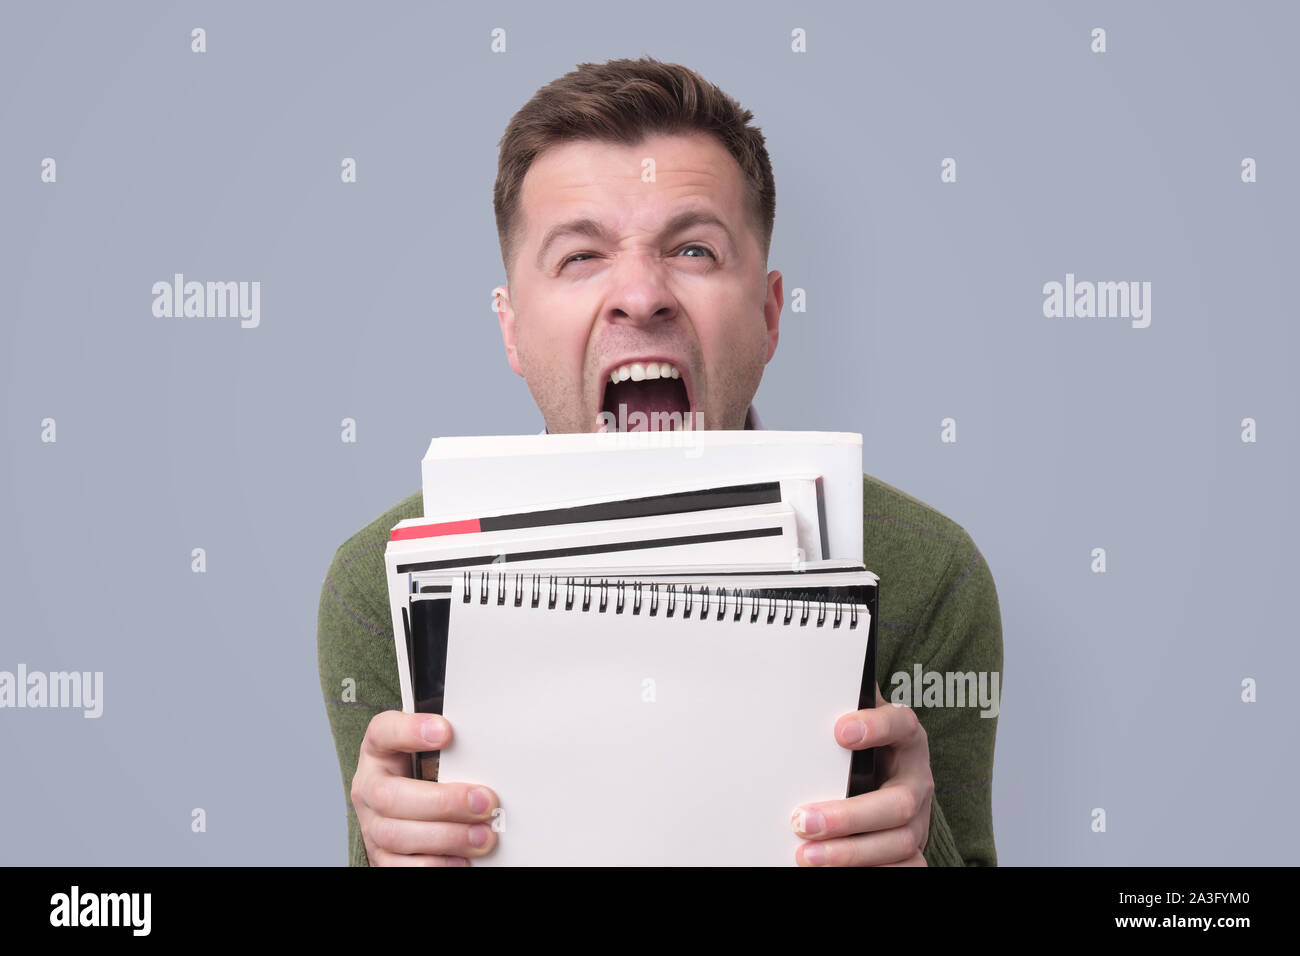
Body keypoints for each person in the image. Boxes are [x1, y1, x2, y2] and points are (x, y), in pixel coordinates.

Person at [317, 56, 1003, 867]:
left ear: (770, 314)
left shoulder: (930, 575)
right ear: (511, 329)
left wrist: (920, 851)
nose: (641, 295)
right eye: (580, 256)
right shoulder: (378, 581)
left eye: (695, 251)